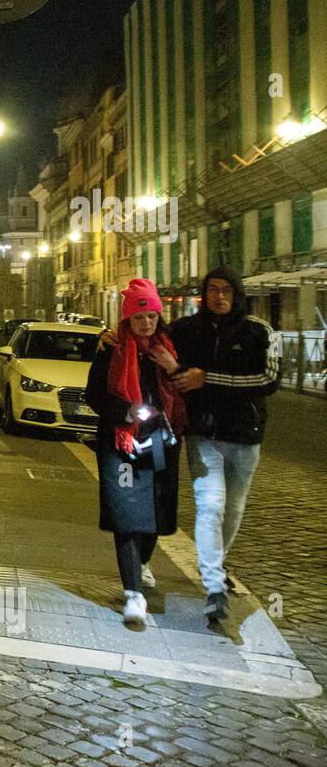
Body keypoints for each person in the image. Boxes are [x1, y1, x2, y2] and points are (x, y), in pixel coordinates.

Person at [166, 266, 281, 620]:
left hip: (246, 436)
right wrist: (112, 336)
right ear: (204, 293)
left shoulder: (259, 331)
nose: (219, 297)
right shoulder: (186, 330)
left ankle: (215, 564)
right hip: (204, 434)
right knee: (211, 506)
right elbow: (148, 335)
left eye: (226, 290)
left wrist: (207, 379)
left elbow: (268, 379)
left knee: (233, 511)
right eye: (213, 290)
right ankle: (215, 586)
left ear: (237, 294)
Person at [85, 278, 187, 625]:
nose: (146, 324)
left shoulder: (170, 349)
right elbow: (93, 395)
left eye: (152, 317)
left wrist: (172, 368)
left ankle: (142, 563)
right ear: (128, 319)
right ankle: (133, 594)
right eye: (139, 318)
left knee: (156, 515)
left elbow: (188, 391)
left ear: (159, 318)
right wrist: (124, 412)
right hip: (120, 441)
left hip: (161, 440)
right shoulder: (111, 348)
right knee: (127, 513)